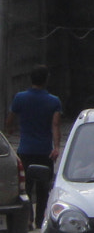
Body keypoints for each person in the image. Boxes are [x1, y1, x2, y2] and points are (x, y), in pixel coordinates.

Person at [6, 66, 65, 221]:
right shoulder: (53, 101)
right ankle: (40, 220)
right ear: (46, 80)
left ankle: (27, 220)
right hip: (45, 151)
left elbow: (10, 119)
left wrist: (10, 129)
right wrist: (57, 147)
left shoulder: (20, 98)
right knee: (43, 188)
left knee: (25, 188)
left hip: (25, 150)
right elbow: (55, 125)